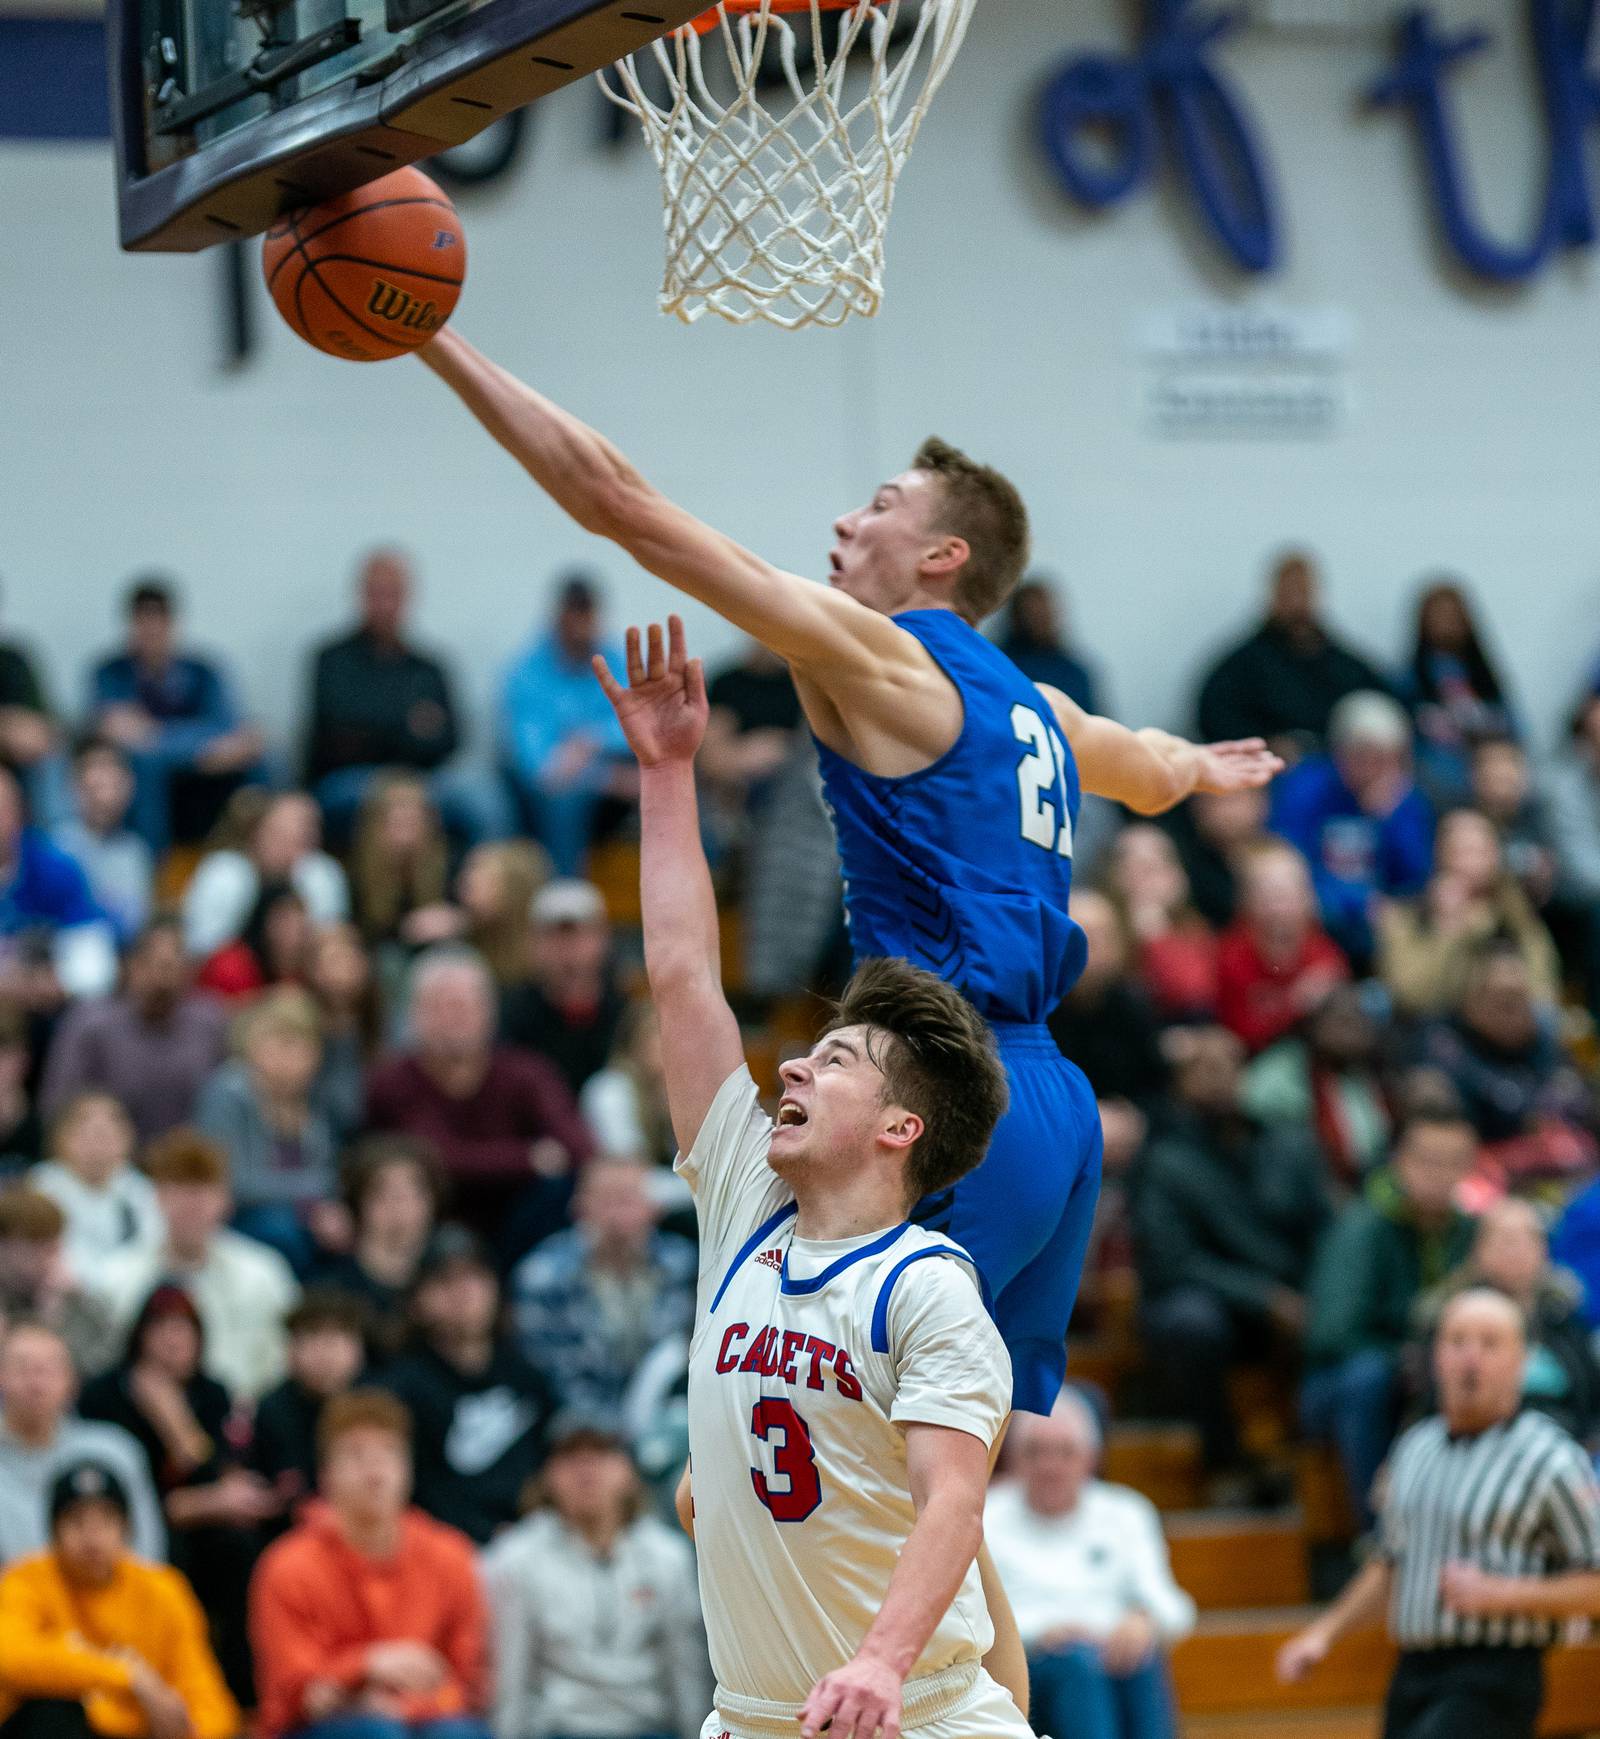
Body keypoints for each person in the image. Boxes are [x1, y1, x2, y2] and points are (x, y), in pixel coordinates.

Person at [420, 331, 1279, 1433]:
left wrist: (434, 342)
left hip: (940, 1089)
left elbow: (616, 501)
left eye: (879, 505)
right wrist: (1209, 762)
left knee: (833, 1461)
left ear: (943, 558)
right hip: (1049, 1101)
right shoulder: (1041, 707)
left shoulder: (881, 658)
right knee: (950, 1474)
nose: (843, 521)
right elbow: (1154, 771)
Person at [589, 619, 1033, 1739]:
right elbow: (685, 977)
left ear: (899, 1126)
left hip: (914, 1710)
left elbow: (953, 1500)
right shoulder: (745, 1193)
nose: (791, 1061)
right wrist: (667, 772)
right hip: (756, 1717)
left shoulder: (929, 1286)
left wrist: (880, 1665)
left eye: (834, 1059)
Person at [1278, 1289, 1600, 1739]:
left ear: (1522, 1361)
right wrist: (1324, 1633)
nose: (1471, 1358)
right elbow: (1390, 1562)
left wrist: (1501, 1594)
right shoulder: (1414, 1447)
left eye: (1489, 1344)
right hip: (1414, 1668)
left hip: (1498, 1672)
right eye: (1456, 1341)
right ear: (1435, 1356)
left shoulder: (1552, 1459)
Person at [1132, 1026, 1330, 1494]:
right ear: (1179, 1082)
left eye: (1229, 1064)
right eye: (1202, 1068)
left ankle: (1308, 1464)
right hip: (1208, 1306)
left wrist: (1315, 1294)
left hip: (1287, 1299)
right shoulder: (1163, 1159)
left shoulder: (1290, 1144)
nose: (1219, 1077)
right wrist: (1265, 1300)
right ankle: (1224, 1463)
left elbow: (1325, 1230)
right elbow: (1172, 1263)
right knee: (1192, 1323)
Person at [248, 1388, 492, 1739]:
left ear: (408, 1470)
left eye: (389, 1454)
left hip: (427, 1716)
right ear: (327, 1476)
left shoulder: (451, 1554)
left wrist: (398, 1704)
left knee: (458, 1735)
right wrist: (370, 1664)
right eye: (356, 1455)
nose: (375, 1470)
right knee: (376, 1733)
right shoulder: (287, 1565)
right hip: (323, 1729)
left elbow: (470, 1680)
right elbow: (292, 1693)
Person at [77, 1285, 274, 1701]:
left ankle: (240, 1692)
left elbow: (218, 1474)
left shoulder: (212, 1391)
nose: (173, 1339)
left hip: (201, 1527)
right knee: (174, 1551)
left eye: (185, 1329)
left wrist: (179, 1428)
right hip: (126, 1528)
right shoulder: (105, 1394)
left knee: (241, 1547)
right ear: (139, 1336)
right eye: (161, 1327)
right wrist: (203, 1499)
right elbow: (118, 1493)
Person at [1300, 1111, 1479, 1524]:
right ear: (1401, 1162)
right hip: (1339, 1384)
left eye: (1454, 1160)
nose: (1441, 1173)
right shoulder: (1363, 1227)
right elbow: (1329, 1333)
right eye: (1429, 1160)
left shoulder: (1470, 1232)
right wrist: (1404, 1353)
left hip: (1427, 1372)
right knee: (1370, 1378)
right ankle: (1378, 1534)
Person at [984, 1392, 1194, 1739]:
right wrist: (1042, 1632)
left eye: (1065, 1452)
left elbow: (1175, 1606)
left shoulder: (1126, 1512)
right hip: (1030, 1662)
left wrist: (1145, 1620)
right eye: (1036, 1452)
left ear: (1091, 1458)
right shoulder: (987, 1515)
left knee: (1142, 1659)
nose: (1050, 1466)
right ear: (1014, 1459)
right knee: (1077, 1667)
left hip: (1113, 1657)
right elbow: (971, 1616)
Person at [483, 1425, 711, 1739]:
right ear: (546, 1476)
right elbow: (511, 1672)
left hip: (649, 1728)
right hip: (559, 1729)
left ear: (629, 1471)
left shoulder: (668, 1556)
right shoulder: (516, 1558)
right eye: (570, 1458)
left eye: (601, 1454)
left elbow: (687, 1665)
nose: (586, 1470)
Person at [365, 948, 592, 1246]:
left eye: (463, 1007)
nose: (452, 1019)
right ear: (414, 1015)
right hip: (428, 1225)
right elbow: (433, 1157)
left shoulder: (527, 1073)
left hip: (521, 1222)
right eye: (439, 1008)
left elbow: (579, 1148)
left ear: (489, 1013)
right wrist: (529, 1158)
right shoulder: (391, 1082)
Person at [0, 1459, 239, 1739]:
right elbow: (10, 1656)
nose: (92, 1538)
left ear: (126, 1529)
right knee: (52, 1708)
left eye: (105, 1522)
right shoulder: (26, 1579)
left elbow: (207, 1697)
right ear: (54, 1532)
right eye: (76, 1522)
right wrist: (129, 1676)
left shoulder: (163, 1588)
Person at [304, 550, 507, 847]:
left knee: (483, 795)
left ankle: (484, 887)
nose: (385, 604)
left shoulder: (429, 667)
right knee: (387, 803)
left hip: (423, 781)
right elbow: (336, 734)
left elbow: (451, 738)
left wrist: (377, 723)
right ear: (361, 596)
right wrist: (409, 726)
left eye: (393, 594)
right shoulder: (332, 660)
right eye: (377, 593)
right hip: (354, 781)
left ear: (408, 597)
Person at [378, 1225, 558, 1545]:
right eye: (446, 1281)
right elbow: (410, 1491)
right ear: (417, 1300)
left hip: (531, 1546)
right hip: (435, 1549)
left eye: (476, 1277)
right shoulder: (401, 1391)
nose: (464, 1292)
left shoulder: (528, 1379)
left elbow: (550, 1471)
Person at [92, 1130, 299, 1402]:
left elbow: (281, 1361)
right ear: (158, 1197)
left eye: (203, 1191)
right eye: (180, 1190)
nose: (192, 1205)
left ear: (225, 1199)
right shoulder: (115, 1277)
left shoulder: (263, 1274)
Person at [509, 1157, 697, 1432]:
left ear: (655, 1206)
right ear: (578, 1206)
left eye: (629, 1198)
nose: (618, 1213)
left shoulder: (686, 1265)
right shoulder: (542, 1277)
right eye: (606, 1199)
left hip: (670, 1422)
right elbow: (551, 1376)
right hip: (579, 1430)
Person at [86, 579, 265, 855]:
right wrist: (200, 747)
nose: (152, 630)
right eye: (144, 622)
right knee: (145, 763)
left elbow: (230, 732)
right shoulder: (110, 673)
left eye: (159, 620)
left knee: (262, 760)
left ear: (173, 623)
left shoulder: (205, 671)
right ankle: (154, 867)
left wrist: (160, 737)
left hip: (207, 773)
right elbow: (116, 732)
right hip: (151, 773)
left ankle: (258, 859)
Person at [1407, 1199, 1600, 1445]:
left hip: (1572, 1441)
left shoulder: (1563, 1310)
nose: (1516, 1251)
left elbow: (1592, 1398)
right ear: (1479, 1250)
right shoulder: (1455, 1317)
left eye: (1528, 1239)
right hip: (1482, 1444)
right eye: (1505, 1240)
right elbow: (1436, 1401)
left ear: (1543, 1250)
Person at [1269, 689, 1435, 966]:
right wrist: (1359, 901)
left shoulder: (1407, 799)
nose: (1373, 769)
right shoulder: (1307, 786)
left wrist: (1392, 819)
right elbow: (1289, 857)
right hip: (1320, 908)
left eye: (1385, 758)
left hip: (1386, 918)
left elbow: (1415, 877)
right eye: (1362, 756)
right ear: (1340, 751)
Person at [1414, 943, 1598, 1187]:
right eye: (1504, 1001)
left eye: (1522, 998)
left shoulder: (1545, 1042)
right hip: (1483, 1185)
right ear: (1471, 1002)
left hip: (1566, 1179)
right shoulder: (1443, 1052)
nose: (1516, 1011)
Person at [41, 918, 228, 1144]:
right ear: (132, 965)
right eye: (153, 964)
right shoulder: (91, 1024)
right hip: (107, 1165)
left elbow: (226, 1104)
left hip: (188, 1167)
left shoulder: (209, 1022)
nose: (162, 979)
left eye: (172, 965)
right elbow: (57, 1108)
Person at [195, 987, 340, 1273]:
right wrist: (314, 1194)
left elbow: (328, 1170)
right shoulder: (228, 1092)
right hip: (238, 1219)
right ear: (251, 1045)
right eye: (278, 1042)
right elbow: (236, 1182)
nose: (287, 1056)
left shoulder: (316, 1099)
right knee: (281, 1232)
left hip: (303, 1217)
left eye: (298, 1044)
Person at [501, 574, 636, 876]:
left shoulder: (614, 659)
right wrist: (605, 776)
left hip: (612, 788)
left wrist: (591, 741)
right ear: (558, 616)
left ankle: (710, 878)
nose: (580, 626)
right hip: (553, 794)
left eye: (586, 615)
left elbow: (639, 726)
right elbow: (542, 771)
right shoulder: (526, 671)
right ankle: (566, 897)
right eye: (573, 615)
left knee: (673, 781)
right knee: (567, 797)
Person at [1195, 551, 1390, 759]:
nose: (1296, 602)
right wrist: (1264, 744)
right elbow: (1214, 715)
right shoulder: (1242, 666)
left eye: (1302, 591)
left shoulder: (1341, 662)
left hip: (1337, 765)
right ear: (1273, 595)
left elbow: (1383, 700)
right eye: (1289, 592)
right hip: (1271, 767)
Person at [0, 1322, 165, 1564]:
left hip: (109, 1597)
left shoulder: (114, 1451)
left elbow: (148, 1556)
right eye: (22, 1368)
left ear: (72, 1382)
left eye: (48, 1370)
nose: (35, 1383)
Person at [1379, 809, 1560, 1021]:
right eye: (1464, 851)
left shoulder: (1513, 911)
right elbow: (1411, 997)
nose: (1474, 862)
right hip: (1442, 1032)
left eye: (1483, 851)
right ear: (1441, 855)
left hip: (1512, 1029)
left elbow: (1543, 987)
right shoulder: (1409, 915)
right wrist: (1447, 929)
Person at [1241, 982, 1392, 1190]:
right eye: (1343, 1021)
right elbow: (1254, 1101)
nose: (1353, 1032)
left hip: (1360, 1185)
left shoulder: (1366, 1077)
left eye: (1360, 1021)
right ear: (1315, 1024)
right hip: (1304, 1188)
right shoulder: (1288, 1062)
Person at [249, 1290, 370, 1528]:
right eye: (313, 1336)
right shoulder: (271, 1410)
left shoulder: (375, 1406)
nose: (326, 1353)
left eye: (337, 1337)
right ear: (290, 1350)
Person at [312, 1137, 443, 1355]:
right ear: (358, 1203)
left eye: (413, 1192)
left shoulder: (453, 1273)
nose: (400, 1203)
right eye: (382, 1193)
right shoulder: (332, 1288)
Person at [1214, 840, 1347, 1055]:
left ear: (1309, 899)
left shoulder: (1323, 952)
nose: (1280, 909)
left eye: (1289, 895)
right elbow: (1239, 1034)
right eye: (1269, 897)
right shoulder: (1232, 957)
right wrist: (1296, 1002)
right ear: (1246, 902)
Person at [182, 791, 349, 961]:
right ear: (256, 831)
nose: (288, 847)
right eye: (280, 834)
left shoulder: (318, 874)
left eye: (302, 838)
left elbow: (333, 952)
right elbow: (202, 950)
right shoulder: (225, 873)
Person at [498, 880, 627, 1098]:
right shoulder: (511, 1016)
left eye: (576, 935)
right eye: (552, 936)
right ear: (533, 943)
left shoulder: (627, 1014)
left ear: (603, 938)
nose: (566, 949)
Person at [0, 766, 115, 1004]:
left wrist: (62, 982)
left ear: (20, 813)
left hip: (48, 1007)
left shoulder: (56, 870)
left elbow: (94, 961)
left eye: (2, 809)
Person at [1398, 580, 1518, 807]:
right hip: (1433, 785)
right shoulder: (1411, 682)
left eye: (1453, 615)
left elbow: (1514, 731)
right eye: (1437, 615)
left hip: (1489, 784)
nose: (1446, 623)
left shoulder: (1487, 678)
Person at [30, 1094, 161, 1281]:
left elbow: (153, 1247)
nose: (97, 1145)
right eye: (86, 1133)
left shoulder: (142, 1190)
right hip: (64, 1291)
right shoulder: (42, 1187)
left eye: (107, 1135)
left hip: (131, 1292)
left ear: (127, 1140)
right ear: (61, 1138)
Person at [1100, 825, 1217, 1022]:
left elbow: (1193, 996)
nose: (1144, 880)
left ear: (1178, 876)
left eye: (1154, 868)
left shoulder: (1194, 930)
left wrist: (1157, 937)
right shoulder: (1099, 924)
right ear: (1114, 875)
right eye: (1133, 867)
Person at [0, 1187, 119, 1378]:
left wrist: (54, 1320)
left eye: (53, 1246)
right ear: (4, 1245)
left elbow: (103, 1371)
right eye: (34, 1245)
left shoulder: (76, 1301)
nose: (46, 1257)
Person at [49, 741, 153, 947]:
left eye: (114, 786)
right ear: (75, 788)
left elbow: (140, 922)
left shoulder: (136, 850)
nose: (105, 798)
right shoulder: (57, 845)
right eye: (95, 787)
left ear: (129, 787)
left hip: (126, 955)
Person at [995, 577, 1101, 714]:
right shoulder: (998, 665)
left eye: (1043, 613)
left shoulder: (1074, 674)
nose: (1038, 620)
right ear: (1016, 616)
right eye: (1031, 614)